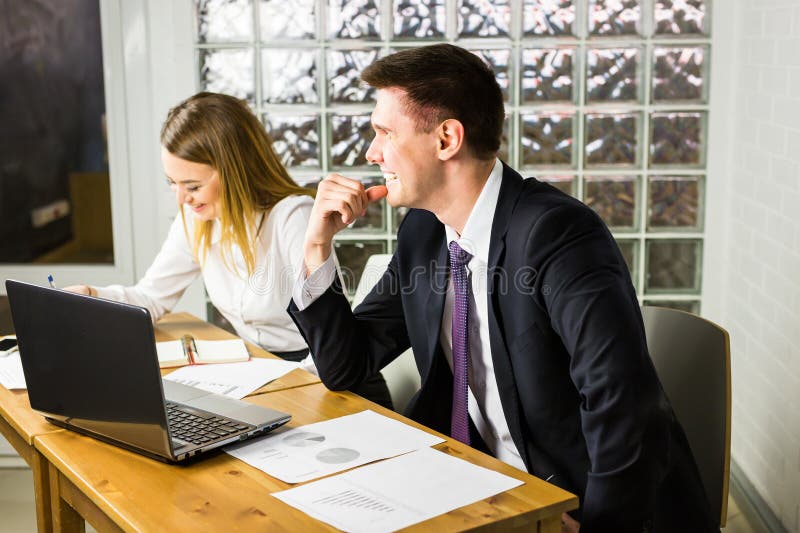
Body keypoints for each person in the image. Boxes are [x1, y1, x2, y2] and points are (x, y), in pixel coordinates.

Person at [287, 45, 716, 532]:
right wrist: (317, 245)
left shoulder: (557, 233)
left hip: (576, 503)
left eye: (385, 132)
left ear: (447, 138)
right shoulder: (424, 232)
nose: (371, 152)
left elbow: (624, 403)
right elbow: (347, 365)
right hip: (477, 488)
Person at [65, 92, 391, 409]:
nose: (182, 198)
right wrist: (91, 295)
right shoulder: (197, 219)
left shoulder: (293, 217)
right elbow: (151, 297)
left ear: (236, 171)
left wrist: (271, 389)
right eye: (172, 183)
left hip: (334, 385)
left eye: (193, 186)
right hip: (269, 373)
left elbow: (330, 351)